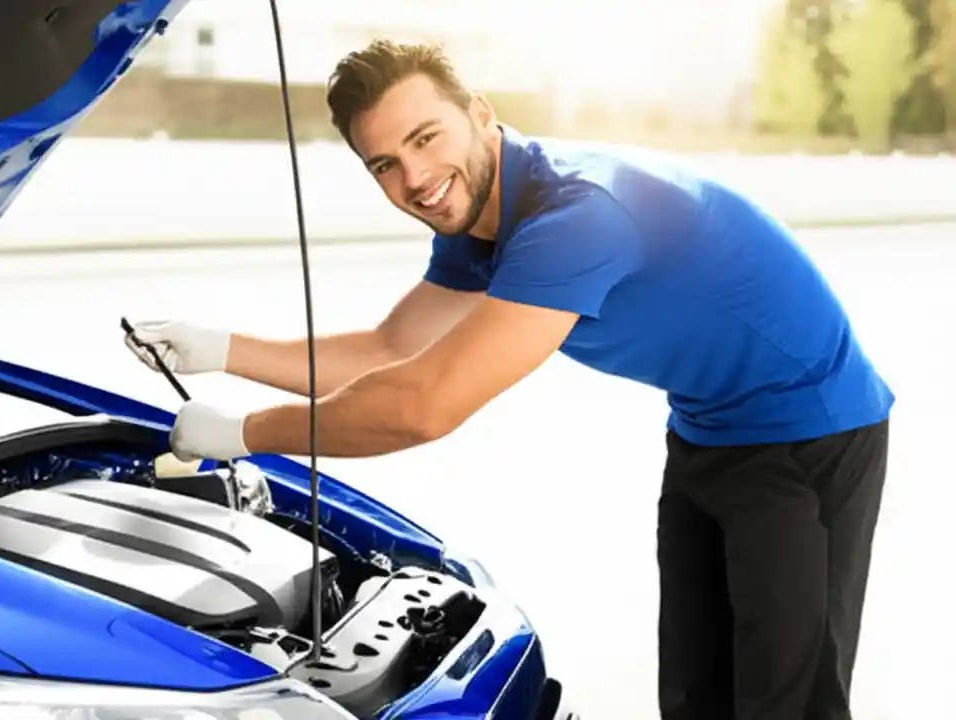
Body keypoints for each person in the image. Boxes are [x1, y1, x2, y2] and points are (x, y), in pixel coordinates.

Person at [122, 39, 893, 720]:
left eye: (425, 138)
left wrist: (244, 435)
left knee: (786, 702)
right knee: (694, 693)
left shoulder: (573, 217)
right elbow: (392, 348)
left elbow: (422, 406)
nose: (416, 178)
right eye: (384, 164)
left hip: (810, 436)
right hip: (706, 430)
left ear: (480, 113)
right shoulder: (483, 221)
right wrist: (221, 349)